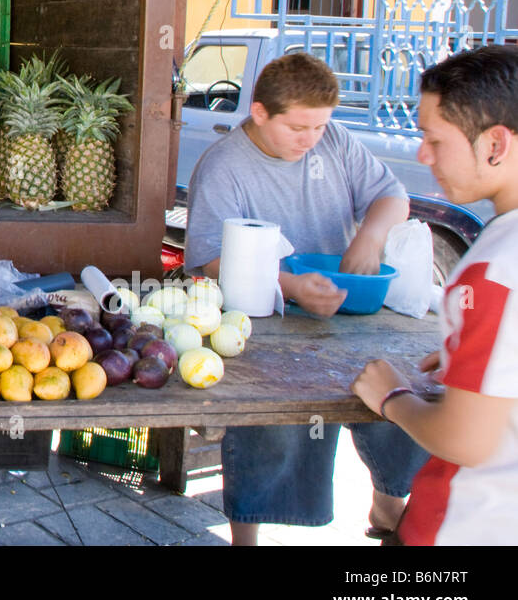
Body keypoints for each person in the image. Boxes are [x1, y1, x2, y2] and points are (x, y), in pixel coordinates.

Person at [185, 52, 426, 545]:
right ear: (259, 114)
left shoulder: (334, 141)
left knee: (397, 395)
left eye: (320, 126)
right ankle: (245, 538)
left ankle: (389, 508)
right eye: (299, 128)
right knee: (268, 425)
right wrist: (289, 286)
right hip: (262, 319)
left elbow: (391, 195)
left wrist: (371, 236)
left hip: (347, 306)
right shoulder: (224, 165)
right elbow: (208, 258)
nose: (312, 138)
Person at [352, 45, 518, 544]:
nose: (422, 154)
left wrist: (393, 397)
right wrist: (471, 362)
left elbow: (464, 439)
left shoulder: (497, 269)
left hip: (469, 526)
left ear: (495, 145)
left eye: (433, 137)